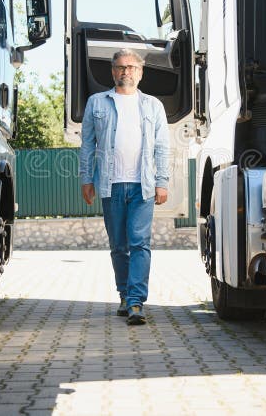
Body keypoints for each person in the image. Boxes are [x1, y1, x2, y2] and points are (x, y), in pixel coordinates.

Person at [79, 48, 170, 325]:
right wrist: (86, 179)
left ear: (140, 72)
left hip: (142, 186)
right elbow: (87, 145)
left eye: (131, 67)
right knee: (119, 245)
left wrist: (162, 181)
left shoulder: (153, 106)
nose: (125, 71)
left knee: (139, 243)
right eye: (120, 67)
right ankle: (124, 293)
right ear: (113, 71)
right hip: (110, 185)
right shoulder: (97, 103)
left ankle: (136, 302)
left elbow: (163, 147)